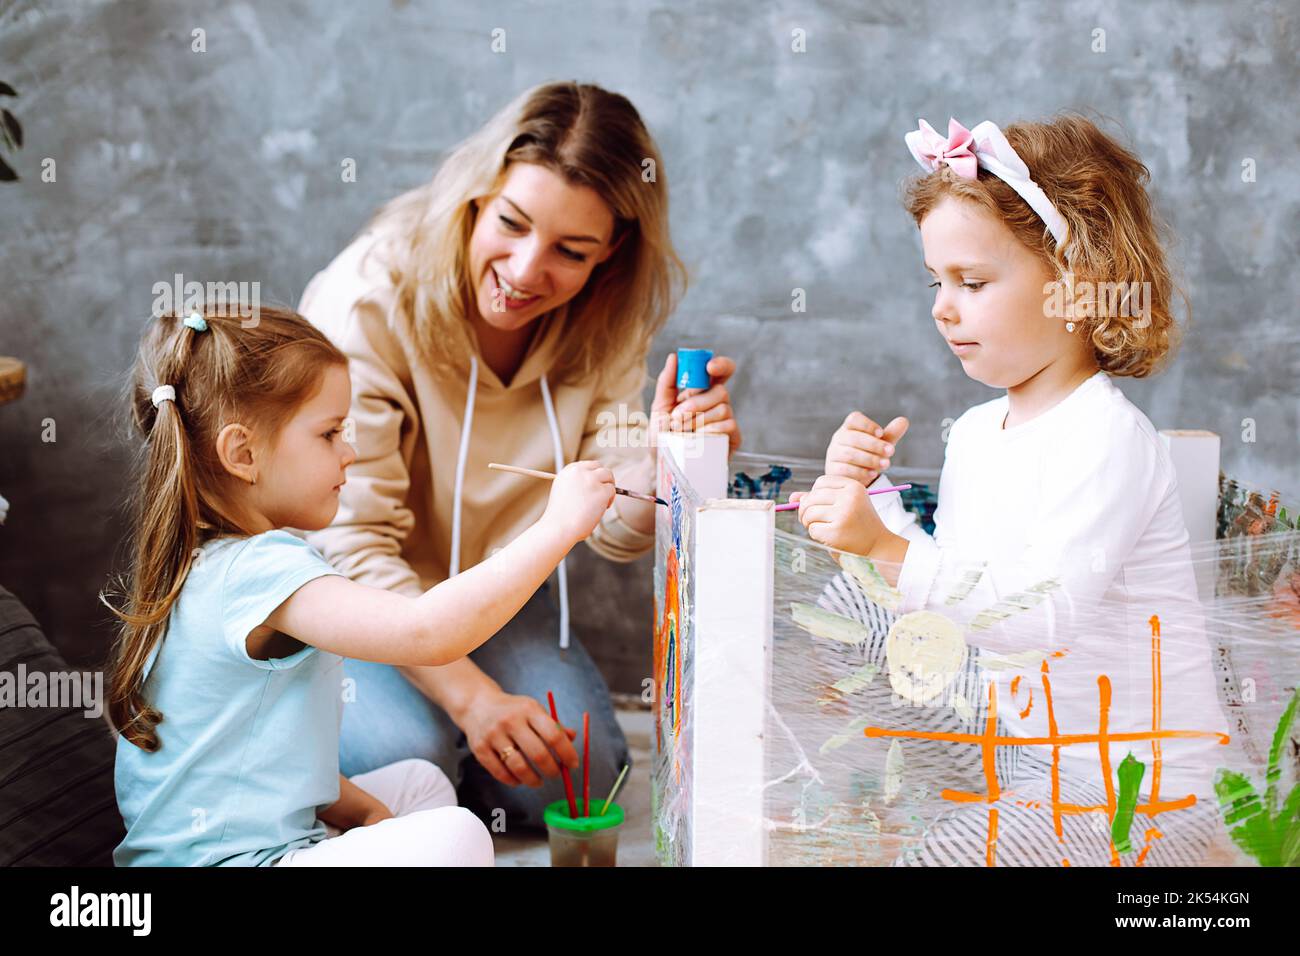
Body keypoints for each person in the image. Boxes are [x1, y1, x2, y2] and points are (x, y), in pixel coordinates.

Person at [298, 81, 742, 829]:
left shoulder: (605, 317)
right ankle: (424, 751)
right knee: (406, 755)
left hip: (497, 590)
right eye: (511, 223)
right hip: (357, 599)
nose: (529, 271)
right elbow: (348, 545)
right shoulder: (368, 302)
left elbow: (613, 523)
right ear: (475, 199)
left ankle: (448, 771)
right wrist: (473, 701)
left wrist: (662, 464)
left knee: (574, 783)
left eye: (571, 251)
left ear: (611, 255)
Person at [792, 114, 1229, 866]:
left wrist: (882, 543)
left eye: (974, 281)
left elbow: (1040, 617)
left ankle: (1030, 838)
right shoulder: (975, 431)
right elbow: (955, 587)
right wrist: (872, 500)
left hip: (1130, 788)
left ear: (1079, 286)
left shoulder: (1105, 437)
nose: (942, 306)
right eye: (937, 281)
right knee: (855, 601)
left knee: (940, 862)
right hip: (1027, 742)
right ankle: (970, 806)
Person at [107, 305, 616, 865]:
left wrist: (353, 810)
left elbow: (246, 750)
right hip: (235, 861)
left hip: (259, 838)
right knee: (460, 835)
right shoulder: (260, 567)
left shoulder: (204, 560)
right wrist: (558, 528)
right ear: (242, 454)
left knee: (421, 788)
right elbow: (426, 632)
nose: (349, 452)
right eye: (329, 434)